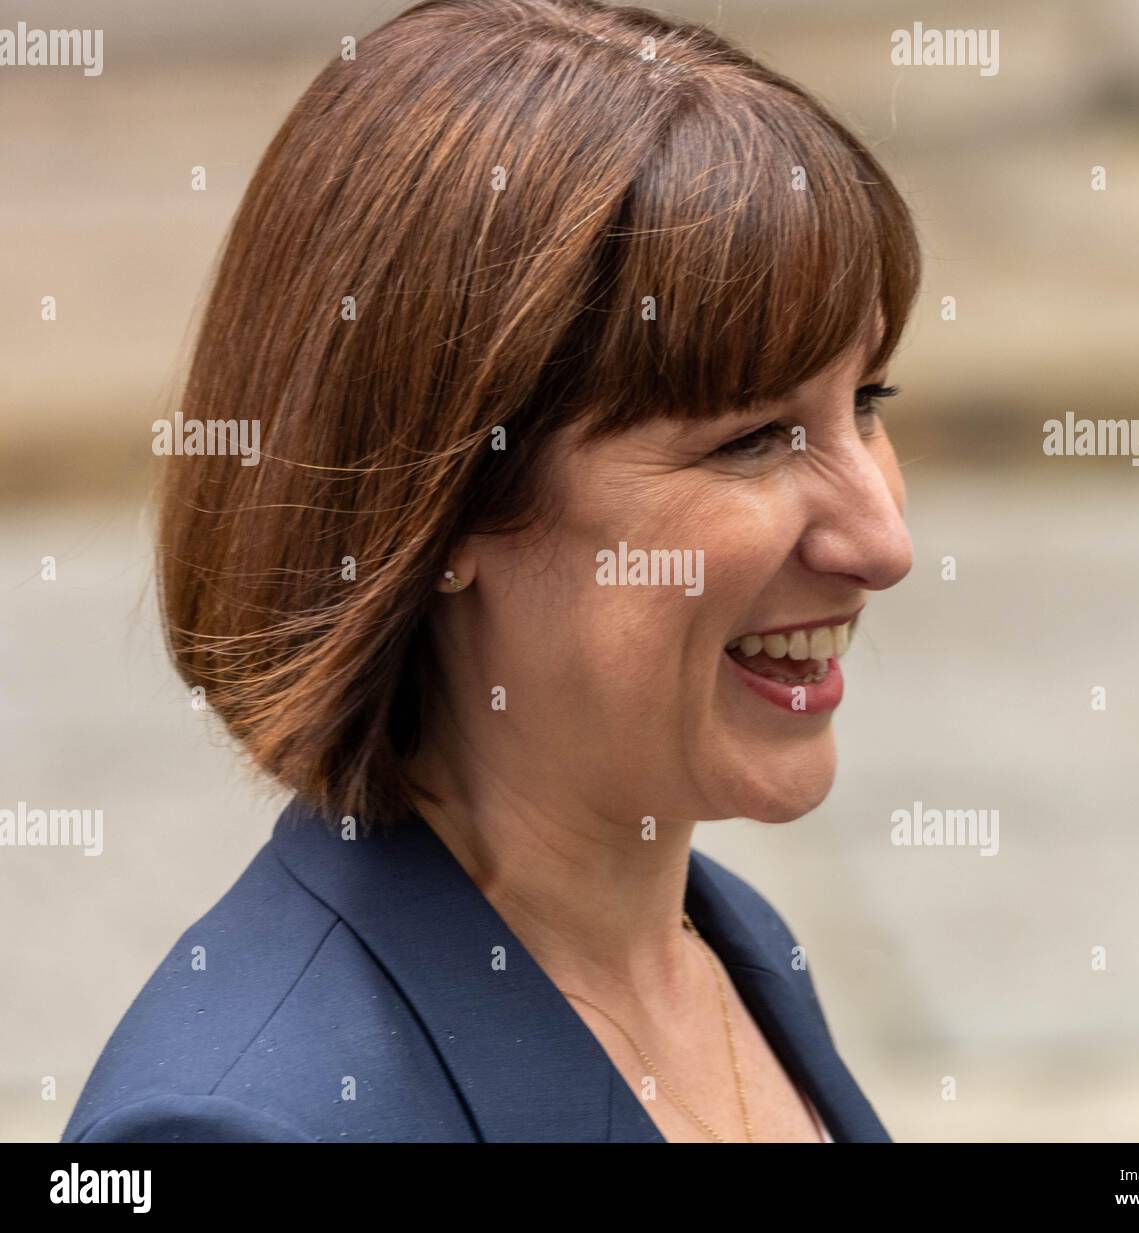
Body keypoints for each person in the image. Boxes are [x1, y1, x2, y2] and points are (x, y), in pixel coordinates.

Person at [63, 0, 919, 1143]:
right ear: (444, 500)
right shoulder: (244, 1123)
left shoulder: (724, 949)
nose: (881, 542)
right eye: (750, 439)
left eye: (865, 404)